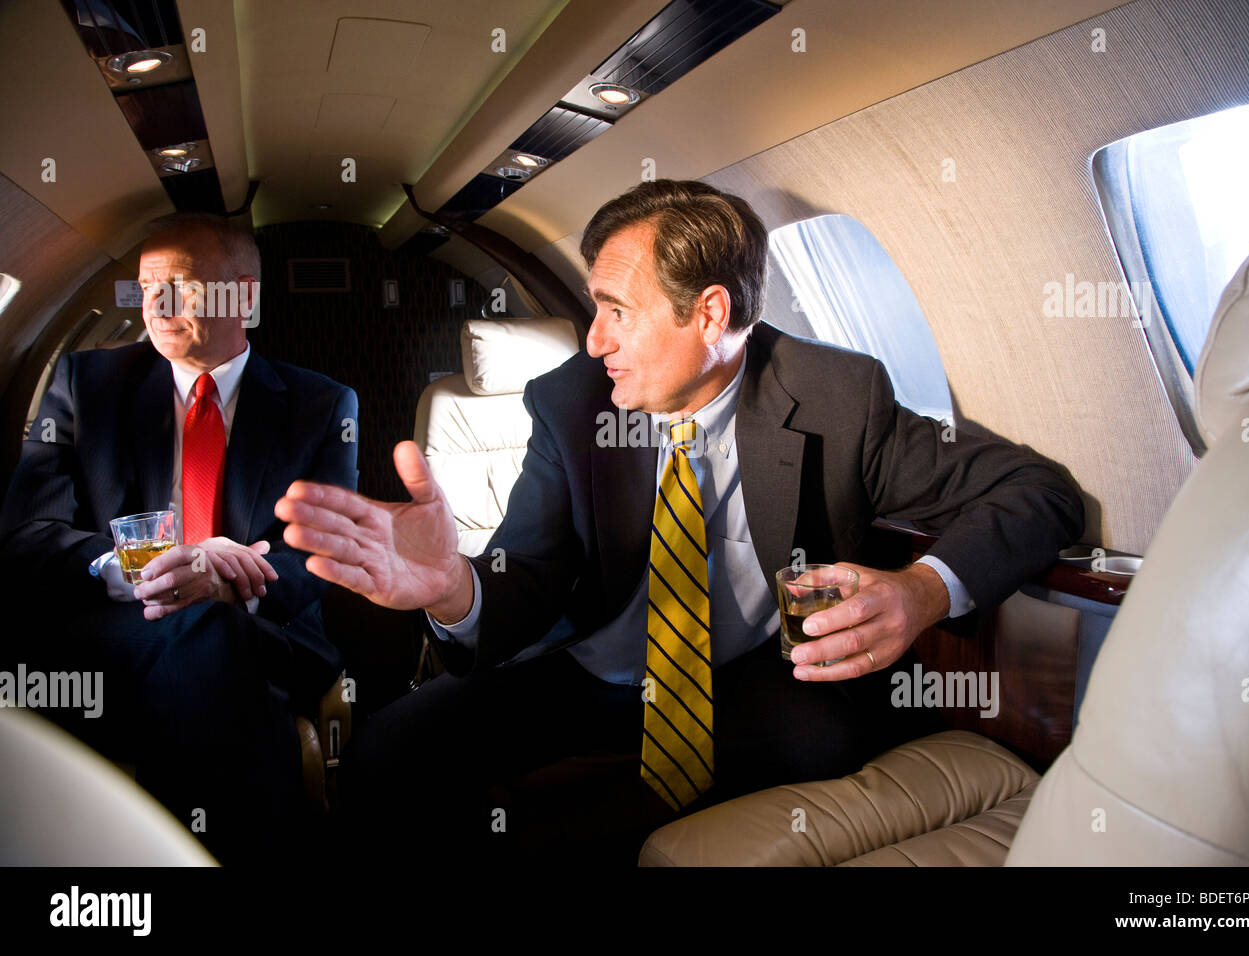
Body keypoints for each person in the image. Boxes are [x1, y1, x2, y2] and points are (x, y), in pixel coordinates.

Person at [276, 179, 1084, 863]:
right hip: (588, 670)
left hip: (744, 680)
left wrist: (923, 592)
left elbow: (1039, 491)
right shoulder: (572, 403)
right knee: (390, 754)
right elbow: (531, 573)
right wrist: (455, 588)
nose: (593, 341)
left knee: (829, 746)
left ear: (709, 312)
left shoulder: (840, 395)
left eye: (614, 310)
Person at [0, 212, 359, 864]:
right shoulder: (85, 385)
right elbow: (25, 534)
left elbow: (321, 552)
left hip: (267, 630)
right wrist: (135, 567)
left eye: (183, 288)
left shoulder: (323, 404)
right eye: (145, 288)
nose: (156, 308)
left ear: (244, 296)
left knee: (216, 635)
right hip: (116, 633)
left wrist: (229, 581)